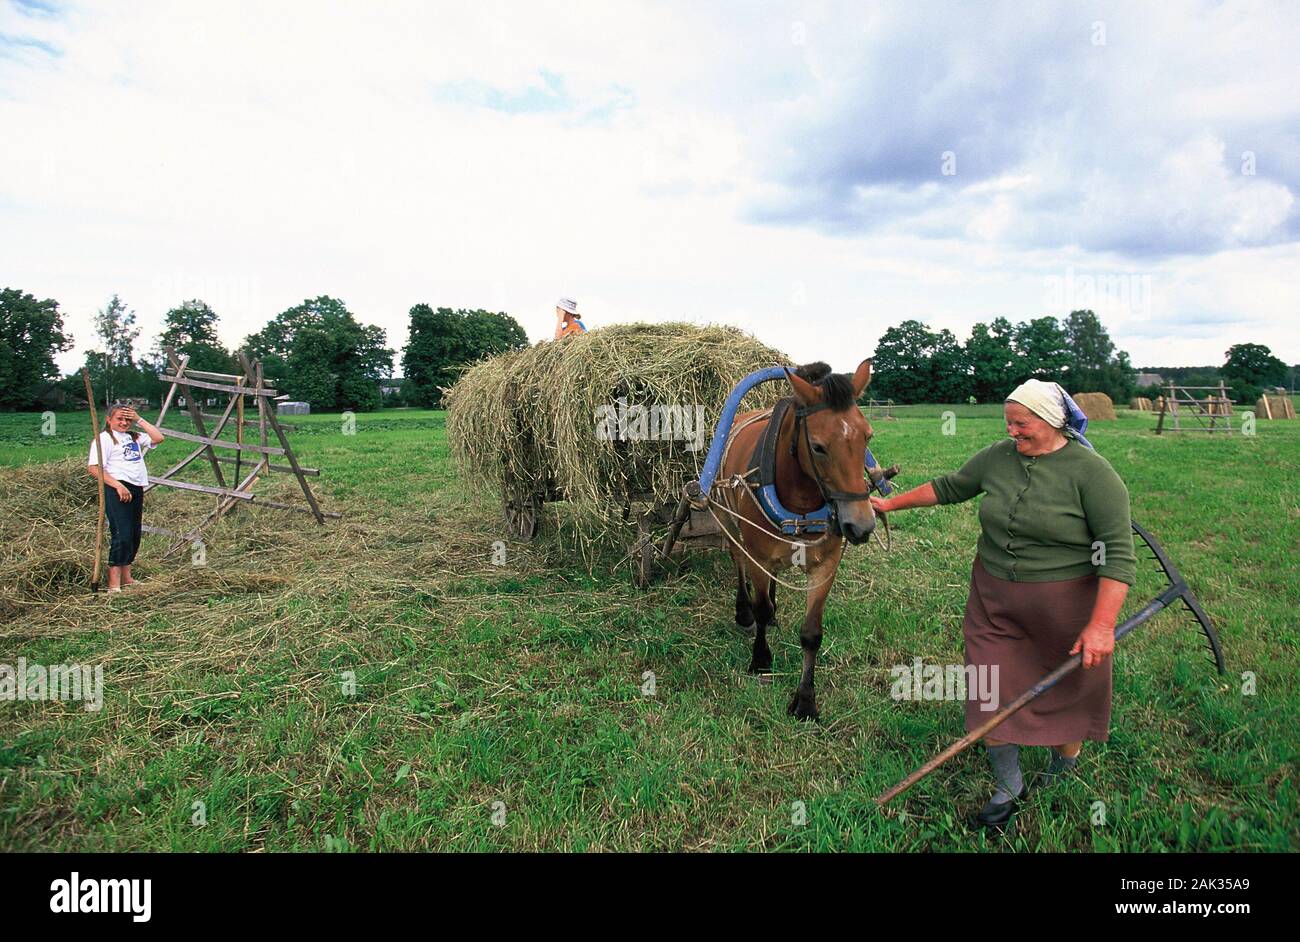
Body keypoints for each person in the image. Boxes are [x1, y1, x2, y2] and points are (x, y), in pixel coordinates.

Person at [870, 379, 1136, 830]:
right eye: (1008, 423)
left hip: (1065, 610)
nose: (1012, 432)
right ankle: (1008, 785)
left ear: (1052, 420)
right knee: (987, 686)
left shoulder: (1093, 474)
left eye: (1021, 423)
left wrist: (1101, 626)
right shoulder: (999, 457)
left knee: (1068, 694)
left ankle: (1063, 767)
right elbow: (950, 486)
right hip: (994, 601)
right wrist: (891, 504)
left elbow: (1117, 554)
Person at [87, 404, 165, 592]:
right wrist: (118, 485)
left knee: (133, 534)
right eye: (119, 419)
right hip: (117, 488)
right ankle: (113, 584)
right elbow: (94, 468)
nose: (123, 423)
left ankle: (127, 578)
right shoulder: (104, 439)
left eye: (127, 420)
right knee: (121, 534)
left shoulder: (134, 436)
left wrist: (138, 419)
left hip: (136, 487)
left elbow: (159, 437)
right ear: (109, 420)